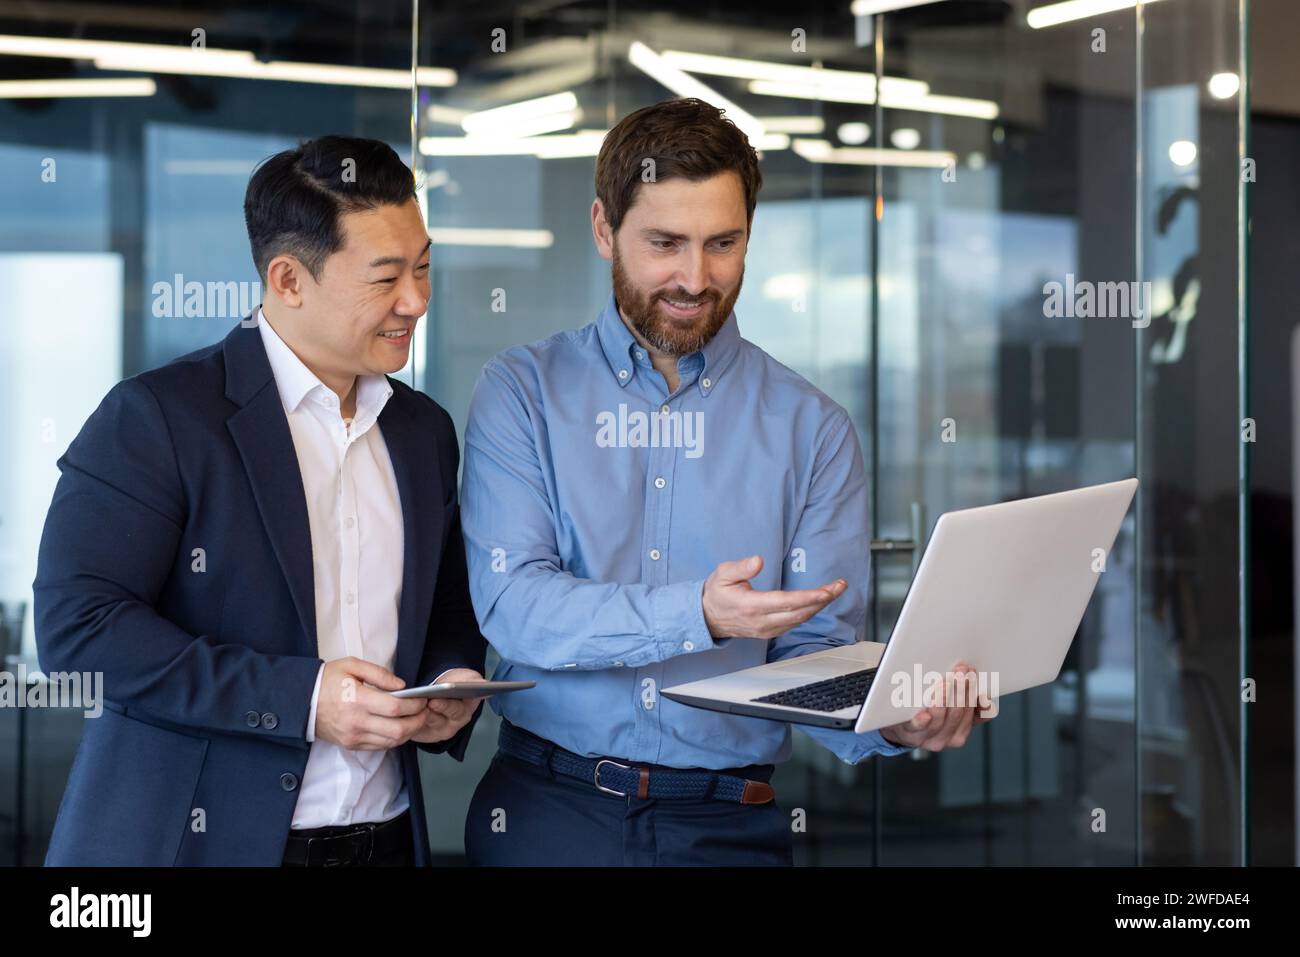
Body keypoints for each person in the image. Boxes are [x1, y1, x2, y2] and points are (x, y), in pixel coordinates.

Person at [460, 99, 991, 866]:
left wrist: (896, 718)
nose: (695, 277)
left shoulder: (813, 427)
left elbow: (811, 654)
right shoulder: (522, 392)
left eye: (723, 243)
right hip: (550, 813)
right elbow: (515, 607)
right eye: (665, 243)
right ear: (605, 228)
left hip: (728, 828)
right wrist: (698, 613)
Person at [34, 135, 485, 866]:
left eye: (424, 268)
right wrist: (306, 697)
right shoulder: (159, 418)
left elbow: (445, 611)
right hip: (197, 842)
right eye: (386, 278)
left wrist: (450, 681)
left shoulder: (423, 430)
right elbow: (78, 629)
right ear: (288, 279)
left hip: (389, 837)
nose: (416, 300)